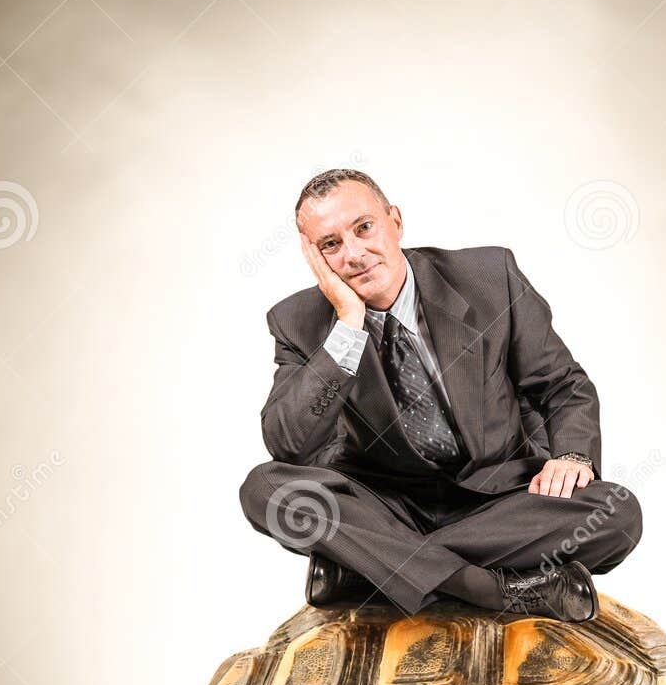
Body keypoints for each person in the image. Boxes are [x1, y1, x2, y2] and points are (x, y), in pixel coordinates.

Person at [238, 169, 642, 621]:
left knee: (615, 512)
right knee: (266, 488)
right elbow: (288, 445)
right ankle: (485, 588)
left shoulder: (489, 276)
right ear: (313, 256)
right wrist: (348, 325)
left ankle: (368, 570)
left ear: (395, 221)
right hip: (388, 507)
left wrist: (573, 457)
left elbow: (562, 384)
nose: (353, 254)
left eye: (364, 228)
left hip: (501, 499)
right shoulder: (297, 321)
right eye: (330, 244)